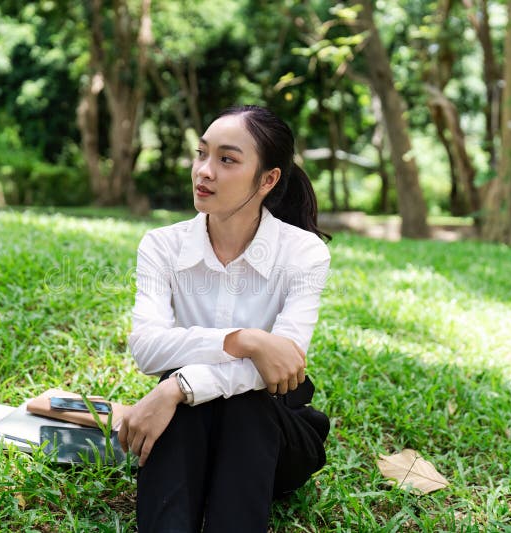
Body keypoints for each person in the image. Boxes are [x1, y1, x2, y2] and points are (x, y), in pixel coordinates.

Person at [118, 105, 332, 532]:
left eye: (227, 159)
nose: (204, 171)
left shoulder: (304, 253)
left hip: (273, 435)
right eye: (201, 154)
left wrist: (180, 387)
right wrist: (246, 340)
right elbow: (146, 348)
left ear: (268, 180)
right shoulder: (162, 246)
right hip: (190, 433)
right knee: (189, 410)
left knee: (243, 404)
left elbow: (285, 365)